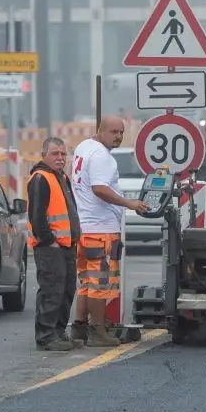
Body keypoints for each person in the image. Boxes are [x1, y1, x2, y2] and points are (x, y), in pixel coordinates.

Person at [70, 115, 148, 347]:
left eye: (121, 132)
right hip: (101, 229)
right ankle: (98, 331)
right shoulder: (102, 157)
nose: (118, 137)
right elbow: (100, 189)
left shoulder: (84, 147)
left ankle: (79, 327)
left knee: (86, 282)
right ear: (101, 130)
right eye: (113, 132)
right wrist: (129, 203)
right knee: (100, 284)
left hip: (84, 228)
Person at [27, 136, 81, 352]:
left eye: (63, 154)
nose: (60, 158)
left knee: (67, 289)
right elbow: (36, 216)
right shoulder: (40, 178)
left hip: (66, 244)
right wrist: (50, 241)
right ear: (44, 156)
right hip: (51, 247)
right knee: (52, 289)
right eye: (54, 154)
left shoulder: (61, 177)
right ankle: (46, 336)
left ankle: (58, 332)